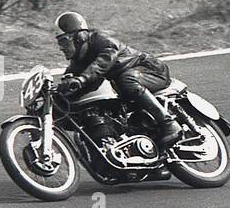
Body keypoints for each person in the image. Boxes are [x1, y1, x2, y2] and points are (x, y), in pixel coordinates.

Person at [53, 11, 182, 153]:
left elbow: (103, 61)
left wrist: (82, 79)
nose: (61, 47)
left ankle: (169, 123)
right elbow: (69, 80)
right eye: (59, 42)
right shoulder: (77, 62)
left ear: (80, 37)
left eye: (64, 41)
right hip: (128, 86)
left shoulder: (101, 41)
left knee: (126, 80)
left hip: (151, 70)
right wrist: (53, 95)